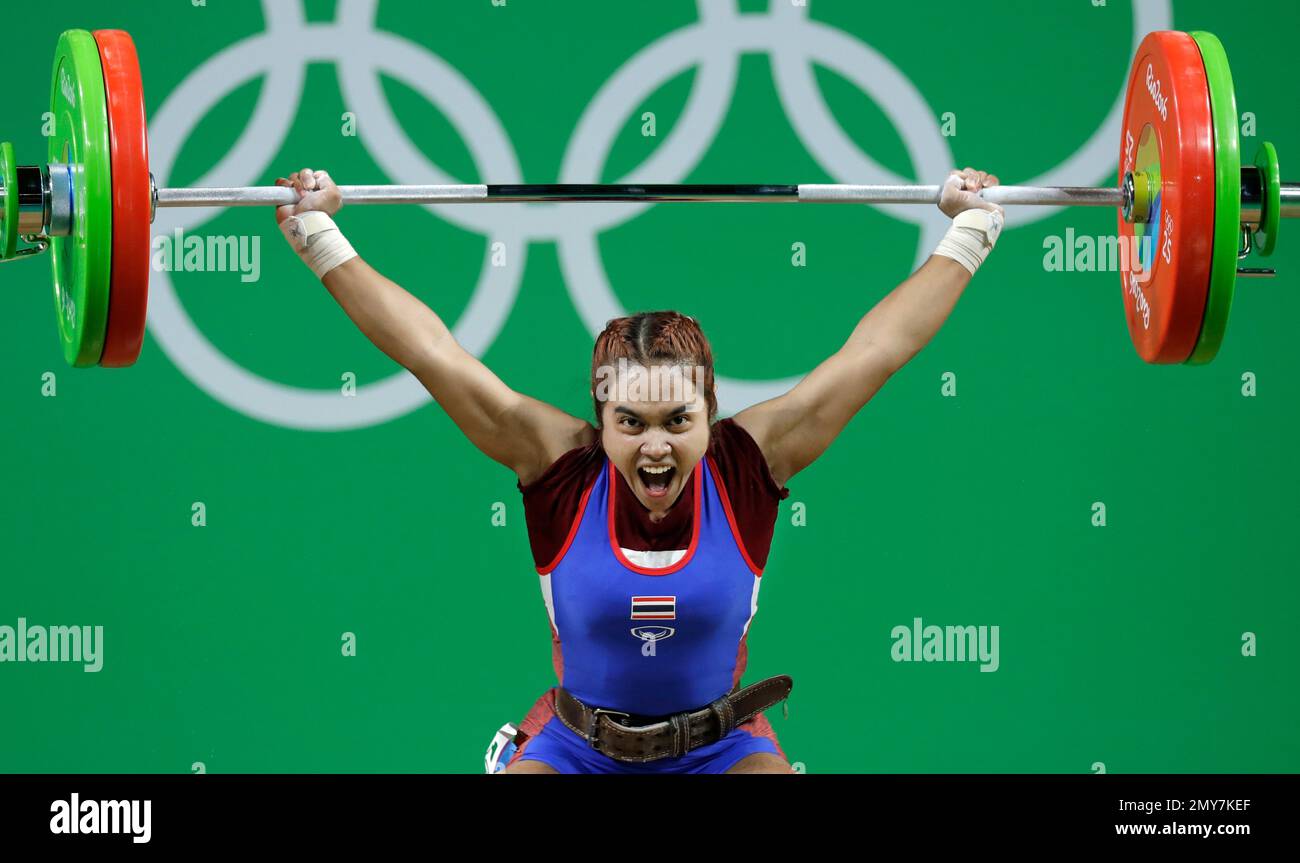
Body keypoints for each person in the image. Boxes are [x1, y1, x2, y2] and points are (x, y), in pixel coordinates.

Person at [274, 166, 1004, 773]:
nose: (655, 446)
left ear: (709, 414)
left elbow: (875, 350)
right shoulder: (558, 465)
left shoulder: (748, 462)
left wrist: (969, 229)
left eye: (677, 422)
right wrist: (319, 234)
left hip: (719, 748)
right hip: (575, 747)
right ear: (601, 419)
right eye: (631, 423)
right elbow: (431, 352)